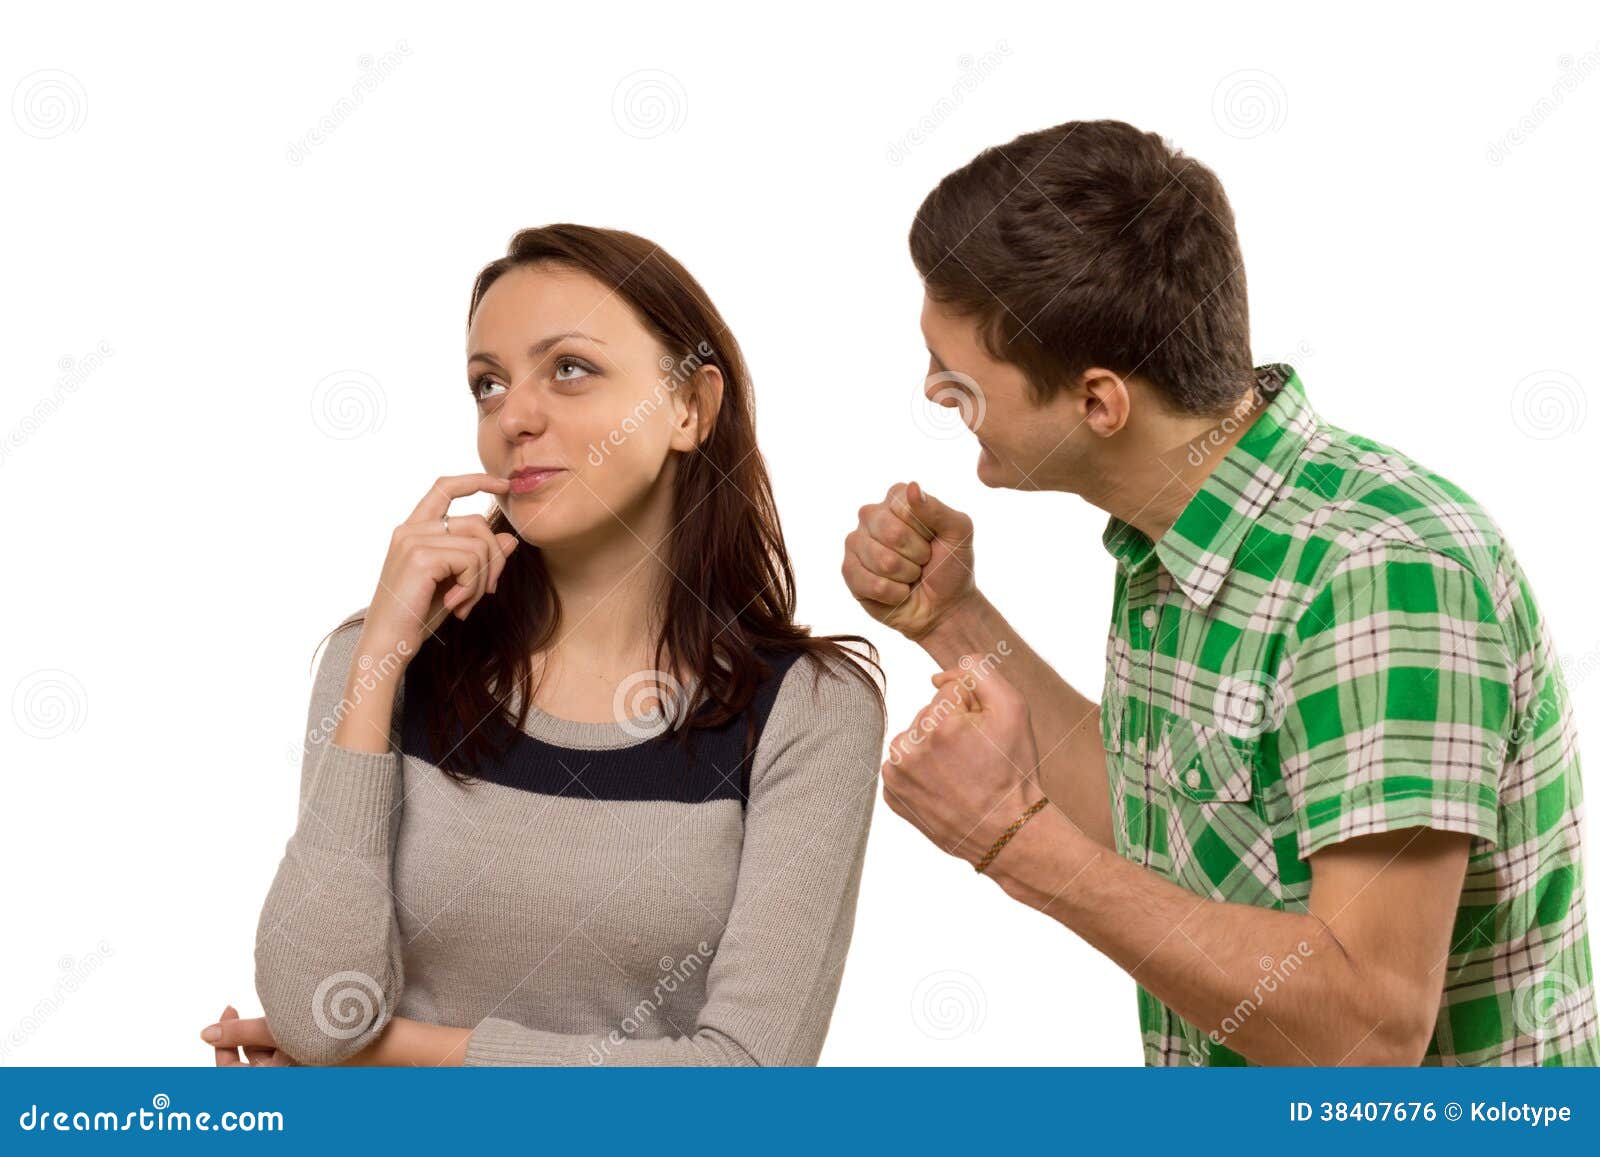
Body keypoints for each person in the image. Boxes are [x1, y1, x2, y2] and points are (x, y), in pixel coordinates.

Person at [845, 119, 1598, 1066]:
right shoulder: (1185, 538)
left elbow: (1366, 1024)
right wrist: (953, 620)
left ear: (1097, 402)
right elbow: (1158, 828)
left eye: (956, 374)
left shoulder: (1382, 575)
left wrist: (1013, 842)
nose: (933, 390)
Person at [204, 224, 886, 1066]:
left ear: (689, 408)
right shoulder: (386, 660)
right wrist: (381, 649)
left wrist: (390, 1051)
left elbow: (744, 1079)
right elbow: (316, 1013)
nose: (513, 419)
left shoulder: (808, 708)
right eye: (488, 385)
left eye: (569, 368)